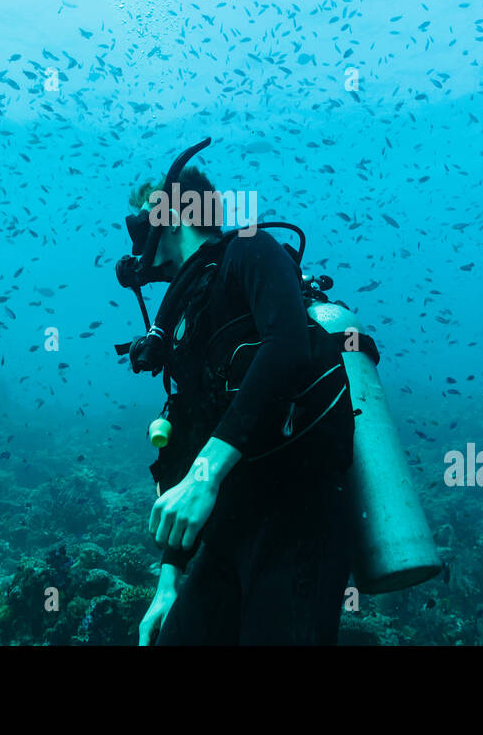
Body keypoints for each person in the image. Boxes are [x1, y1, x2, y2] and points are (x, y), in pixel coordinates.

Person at [120, 164, 357, 645]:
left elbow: (287, 345)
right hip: (228, 528)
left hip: (298, 511)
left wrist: (204, 477)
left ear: (170, 215)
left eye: (141, 219)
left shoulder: (249, 249)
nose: (136, 235)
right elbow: (183, 441)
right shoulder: (188, 319)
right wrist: (169, 581)